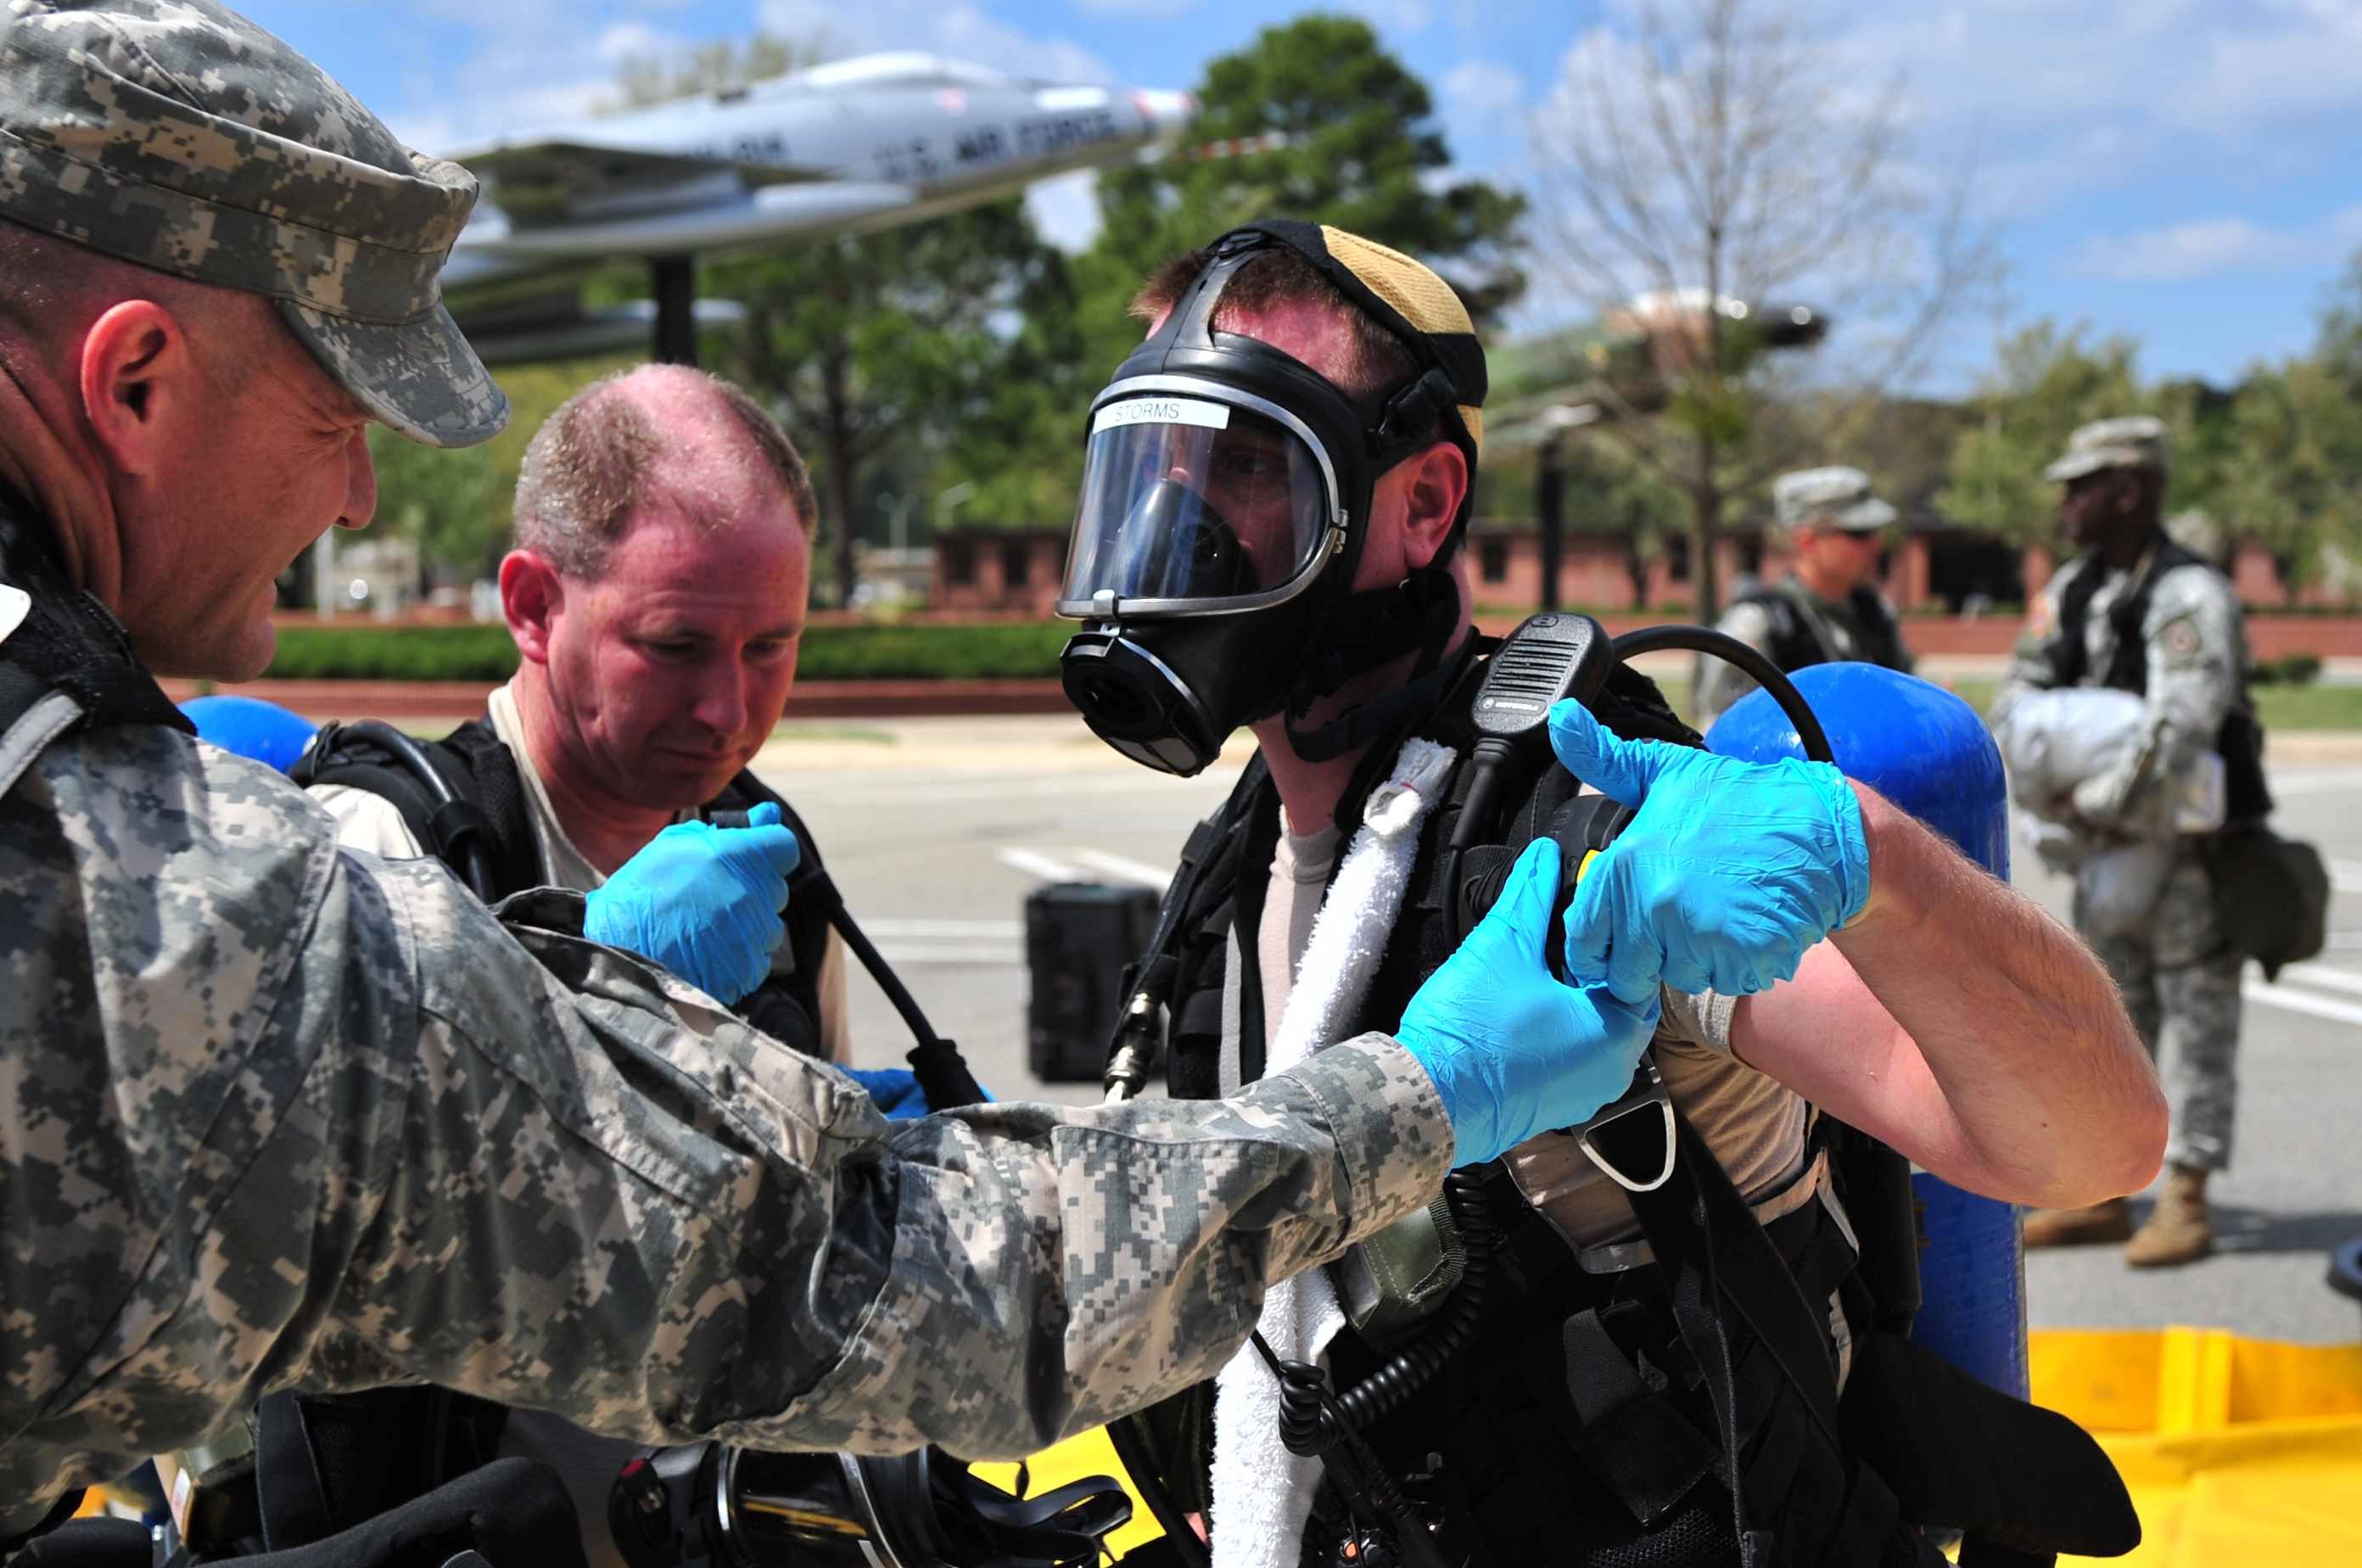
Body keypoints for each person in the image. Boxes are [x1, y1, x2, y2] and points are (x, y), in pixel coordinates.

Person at [0, 3, 1864, 1553]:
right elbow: (859, 1269)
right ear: (136, 378)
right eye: (336, 418)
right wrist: (1418, 1097)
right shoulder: (198, 907)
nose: (351, 500)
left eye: (774, 646)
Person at [1056, 221, 2163, 1566]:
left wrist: (1877, 866)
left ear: (1420, 503)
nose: (1182, 526)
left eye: (1245, 465)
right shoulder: (1234, 861)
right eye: (1153, 470)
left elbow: (2091, 1148)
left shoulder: (1588, 826)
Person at [297, 363, 854, 1068]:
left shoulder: (776, 870)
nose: (729, 709)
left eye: (771, 646)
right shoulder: (383, 847)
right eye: (674, 645)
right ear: (533, 606)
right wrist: (601, 977)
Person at [1995, 416, 2258, 1267]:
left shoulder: (2191, 595)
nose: (2066, 501)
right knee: (2106, 1021)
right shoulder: (2072, 590)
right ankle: (2108, 1193)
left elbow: (2183, 724)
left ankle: (2188, 1197)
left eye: (2083, 485)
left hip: (2189, 851)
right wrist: (2065, 804)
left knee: (2199, 1016)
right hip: (2105, 848)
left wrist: (2099, 803)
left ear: (2131, 490)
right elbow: (2021, 694)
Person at [1693, 466, 1914, 727]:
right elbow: (1724, 745)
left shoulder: (1877, 613)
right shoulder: (1757, 626)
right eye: (1859, 533)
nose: (1877, 544)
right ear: (1808, 542)